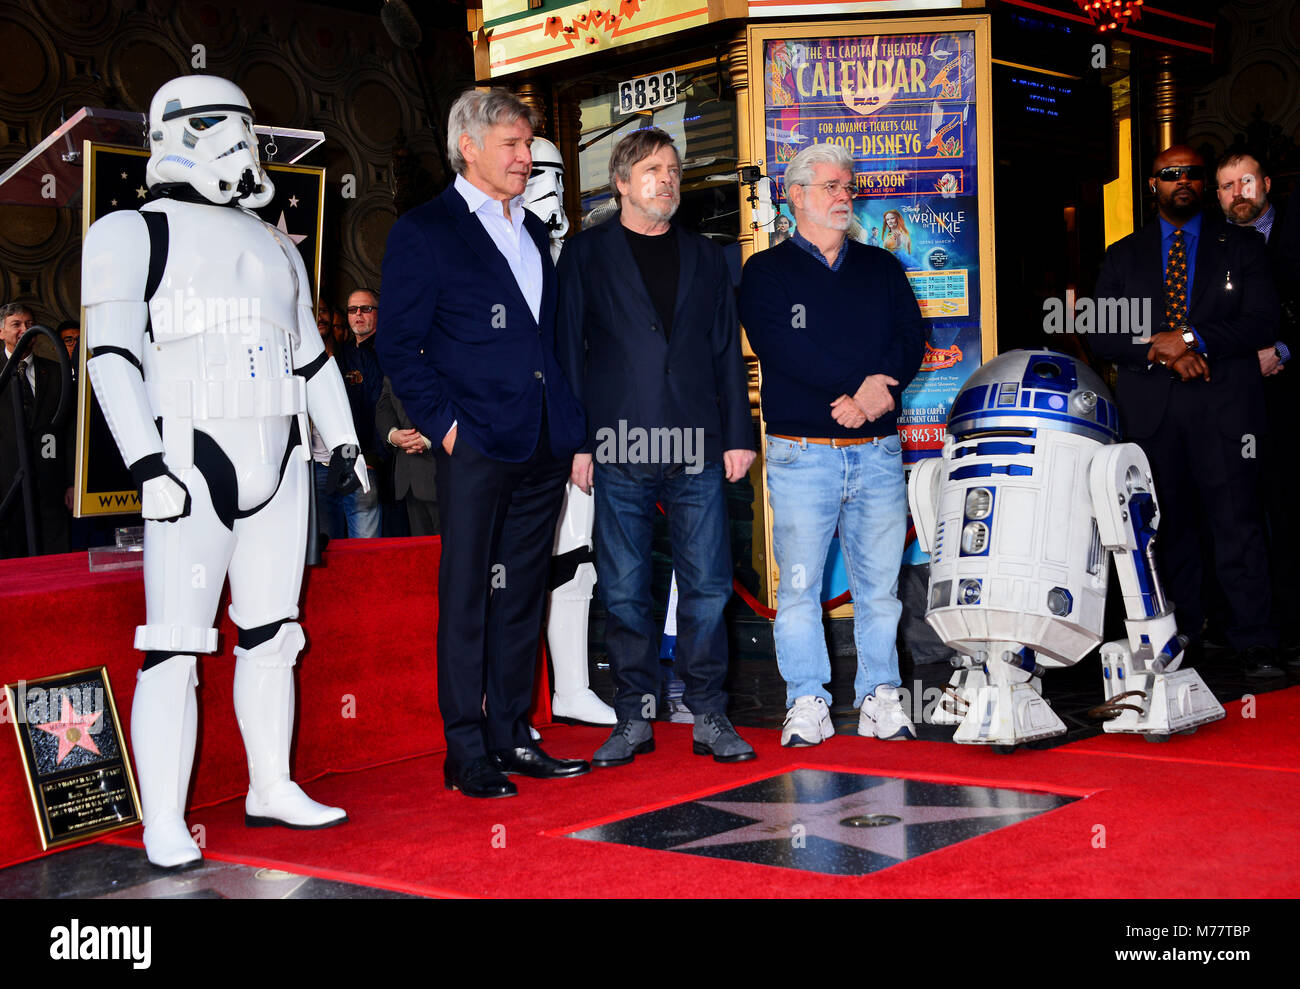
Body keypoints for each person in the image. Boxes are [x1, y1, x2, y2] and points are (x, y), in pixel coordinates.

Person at [81, 74, 366, 868]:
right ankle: (164, 816)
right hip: (191, 454)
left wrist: (343, 441)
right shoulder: (129, 232)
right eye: (214, 122)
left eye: (244, 123)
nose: (235, 138)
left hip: (280, 455)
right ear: (171, 130)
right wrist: (145, 460)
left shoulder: (277, 241)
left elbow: (309, 356)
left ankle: (270, 782)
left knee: (274, 634)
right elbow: (110, 357)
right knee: (175, 641)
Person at [378, 88, 590, 799]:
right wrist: (446, 426)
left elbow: (551, 341)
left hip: (540, 443)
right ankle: (464, 746)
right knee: (468, 593)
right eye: (512, 145)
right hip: (473, 445)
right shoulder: (425, 231)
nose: (526, 158)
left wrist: (569, 425)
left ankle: (512, 731)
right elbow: (398, 347)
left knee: (523, 591)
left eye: (528, 145)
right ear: (469, 146)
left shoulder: (532, 230)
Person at [556, 127, 757, 767]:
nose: (666, 178)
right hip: (618, 443)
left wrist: (738, 436)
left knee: (708, 586)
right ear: (620, 183)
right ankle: (634, 717)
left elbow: (727, 351)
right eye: (650, 169)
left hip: (698, 443)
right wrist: (578, 443)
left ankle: (709, 715)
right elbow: (567, 355)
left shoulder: (707, 256)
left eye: (672, 168)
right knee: (623, 589)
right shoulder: (585, 256)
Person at [739, 142, 925, 747]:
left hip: (876, 455)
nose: (844, 196)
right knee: (798, 588)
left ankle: (880, 696)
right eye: (830, 187)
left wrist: (879, 393)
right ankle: (807, 701)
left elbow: (911, 338)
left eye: (848, 186)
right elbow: (784, 348)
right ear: (794, 196)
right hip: (802, 455)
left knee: (879, 589)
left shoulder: (881, 267)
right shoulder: (765, 273)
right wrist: (860, 386)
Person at [1091, 144, 1282, 679]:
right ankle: (1181, 632)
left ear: (1204, 185)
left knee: (1237, 523)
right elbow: (1100, 331)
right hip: (1153, 413)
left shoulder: (1241, 248)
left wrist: (1193, 337)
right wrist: (1162, 349)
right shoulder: (1123, 254)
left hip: (1226, 410)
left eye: (1192, 175)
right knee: (1163, 528)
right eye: (1168, 174)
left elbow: (1263, 321)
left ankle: (1255, 641)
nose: (1181, 181)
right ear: (1152, 185)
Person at [1214, 150, 1300, 668]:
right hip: (1231, 399)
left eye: (1246, 181)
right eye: (1227, 186)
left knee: (1290, 508)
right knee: (1237, 510)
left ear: (1265, 183)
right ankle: (1248, 622)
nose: (1238, 192)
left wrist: (1284, 350)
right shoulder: (1211, 246)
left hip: (1291, 394)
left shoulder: (1291, 233)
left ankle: (1291, 623)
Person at [1, 302, 73, 558]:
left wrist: (72, 483)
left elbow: (69, 431)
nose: (24, 330)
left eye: (29, 325)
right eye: (16, 324)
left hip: (49, 486)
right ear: (1, 332)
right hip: (5, 489)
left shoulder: (56, 372)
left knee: (53, 560)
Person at [334, 288, 385, 537]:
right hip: (342, 459)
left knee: (368, 544)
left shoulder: (387, 352)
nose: (358, 315)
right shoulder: (343, 353)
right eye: (353, 309)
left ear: (378, 313)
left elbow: (381, 408)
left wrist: (374, 457)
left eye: (366, 309)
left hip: (374, 461)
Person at [375, 374, 438, 535]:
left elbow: (460, 403)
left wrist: (431, 437)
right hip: (409, 475)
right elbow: (385, 404)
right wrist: (392, 435)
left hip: (446, 472)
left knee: (455, 553)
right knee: (422, 554)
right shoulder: (397, 359)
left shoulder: (449, 353)